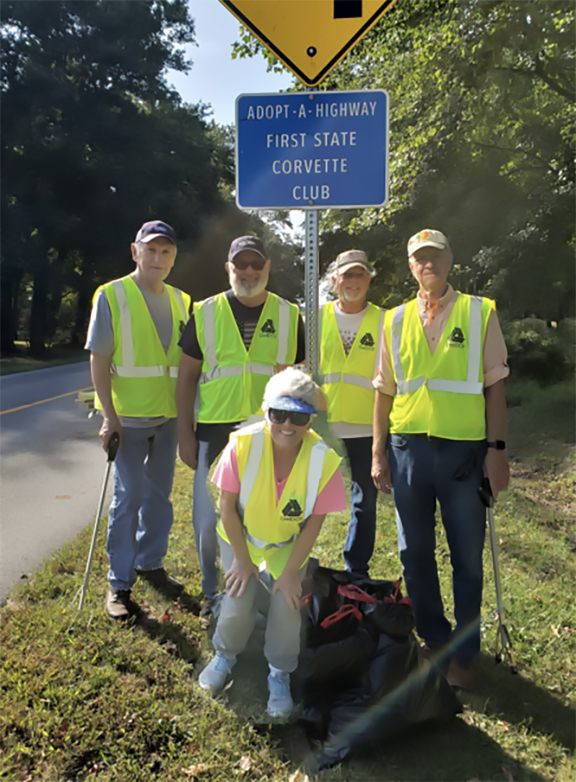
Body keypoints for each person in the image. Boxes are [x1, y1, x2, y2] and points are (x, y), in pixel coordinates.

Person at [372, 229, 510, 689]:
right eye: (419, 258)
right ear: (410, 266)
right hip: (408, 449)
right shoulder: (393, 319)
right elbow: (384, 392)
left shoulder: (479, 312)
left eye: (435, 256)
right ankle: (433, 639)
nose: (427, 263)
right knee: (415, 553)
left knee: (467, 557)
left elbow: (495, 388)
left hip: (464, 455)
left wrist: (497, 452)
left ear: (450, 259)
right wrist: (378, 452)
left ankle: (463, 656)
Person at [198, 367, 346, 718]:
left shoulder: (324, 460)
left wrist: (292, 572)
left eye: (299, 416)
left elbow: (312, 526)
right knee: (237, 596)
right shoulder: (242, 445)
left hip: (285, 546)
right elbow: (227, 509)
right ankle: (225, 656)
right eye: (278, 414)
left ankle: (279, 673)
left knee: (287, 603)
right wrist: (243, 561)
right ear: (266, 412)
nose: (287, 425)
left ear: (311, 419)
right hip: (240, 539)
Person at [176, 236, 305, 624]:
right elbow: (185, 381)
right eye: (240, 264)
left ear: (267, 267)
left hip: (270, 436)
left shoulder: (288, 315)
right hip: (214, 434)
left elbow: (298, 385)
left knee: (263, 517)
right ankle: (212, 592)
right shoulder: (204, 312)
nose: (248, 271)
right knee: (206, 520)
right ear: (228, 268)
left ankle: (260, 591)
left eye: (256, 264)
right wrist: (185, 433)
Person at [86, 220, 191, 620]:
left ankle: (151, 563)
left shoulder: (183, 301)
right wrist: (107, 416)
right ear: (135, 251)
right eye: (150, 250)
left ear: (174, 256)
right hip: (126, 420)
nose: (158, 258)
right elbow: (99, 358)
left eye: (165, 251)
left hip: (167, 417)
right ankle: (119, 583)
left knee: (159, 496)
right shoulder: (112, 296)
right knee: (128, 497)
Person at [320, 250, 384, 577]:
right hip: (322, 425)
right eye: (346, 275)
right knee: (302, 495)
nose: (353, 281)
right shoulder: (315, 319)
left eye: (360, 274)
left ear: (370, 279)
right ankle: (297, 562)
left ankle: (356, 568)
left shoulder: (386, 321)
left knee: (365, 500)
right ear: (334, 281)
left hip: (366, 426)